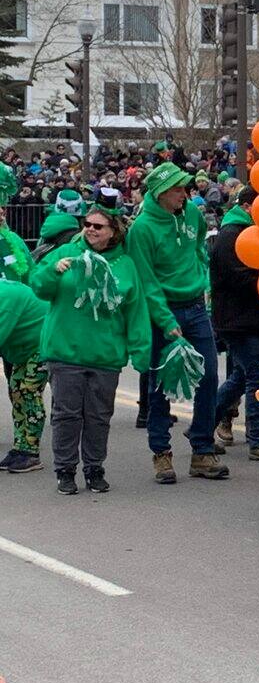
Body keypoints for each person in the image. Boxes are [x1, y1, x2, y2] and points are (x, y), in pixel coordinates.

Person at [31, 197, 151, 495]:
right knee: (67, 414)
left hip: (105, 355)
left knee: (98, 416)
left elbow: (135, 311)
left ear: (114, 231)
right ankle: (65, 470)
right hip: (65, 350)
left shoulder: (125, 265)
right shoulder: (67, 253)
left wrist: (141, 350)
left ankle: (94, 468)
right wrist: (52, 271)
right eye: (87, 225)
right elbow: (38, 287)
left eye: (98, 226)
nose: (90, 230)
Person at [127, 162, 227, 484]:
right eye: (177, 188)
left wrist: (202, 274)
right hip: (162, 313)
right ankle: (161, 452)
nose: (185, 193)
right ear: (159, 193)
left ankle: (202, 448)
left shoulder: (192, 215)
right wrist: (166, 320)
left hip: (196, 308)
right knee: (160, 385)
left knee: (209, 375)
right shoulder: (142, 229)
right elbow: (147, 281)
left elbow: (199, 243)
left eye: (184, 186)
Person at [210, 188, 259, 460]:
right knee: (256, 377)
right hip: (240, 320)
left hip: (248, 318)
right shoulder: (233, 236)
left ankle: (202, 425)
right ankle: (258, 440)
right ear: (246, 206)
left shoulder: (247, 233)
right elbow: (239, 279)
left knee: (242, 376)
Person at [0, 279, 49, 474]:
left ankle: (31, 452)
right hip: (24, 347)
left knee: (29, 391)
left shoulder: (4, 297)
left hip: (43, 341)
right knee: (16, 392)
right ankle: (19, 447)